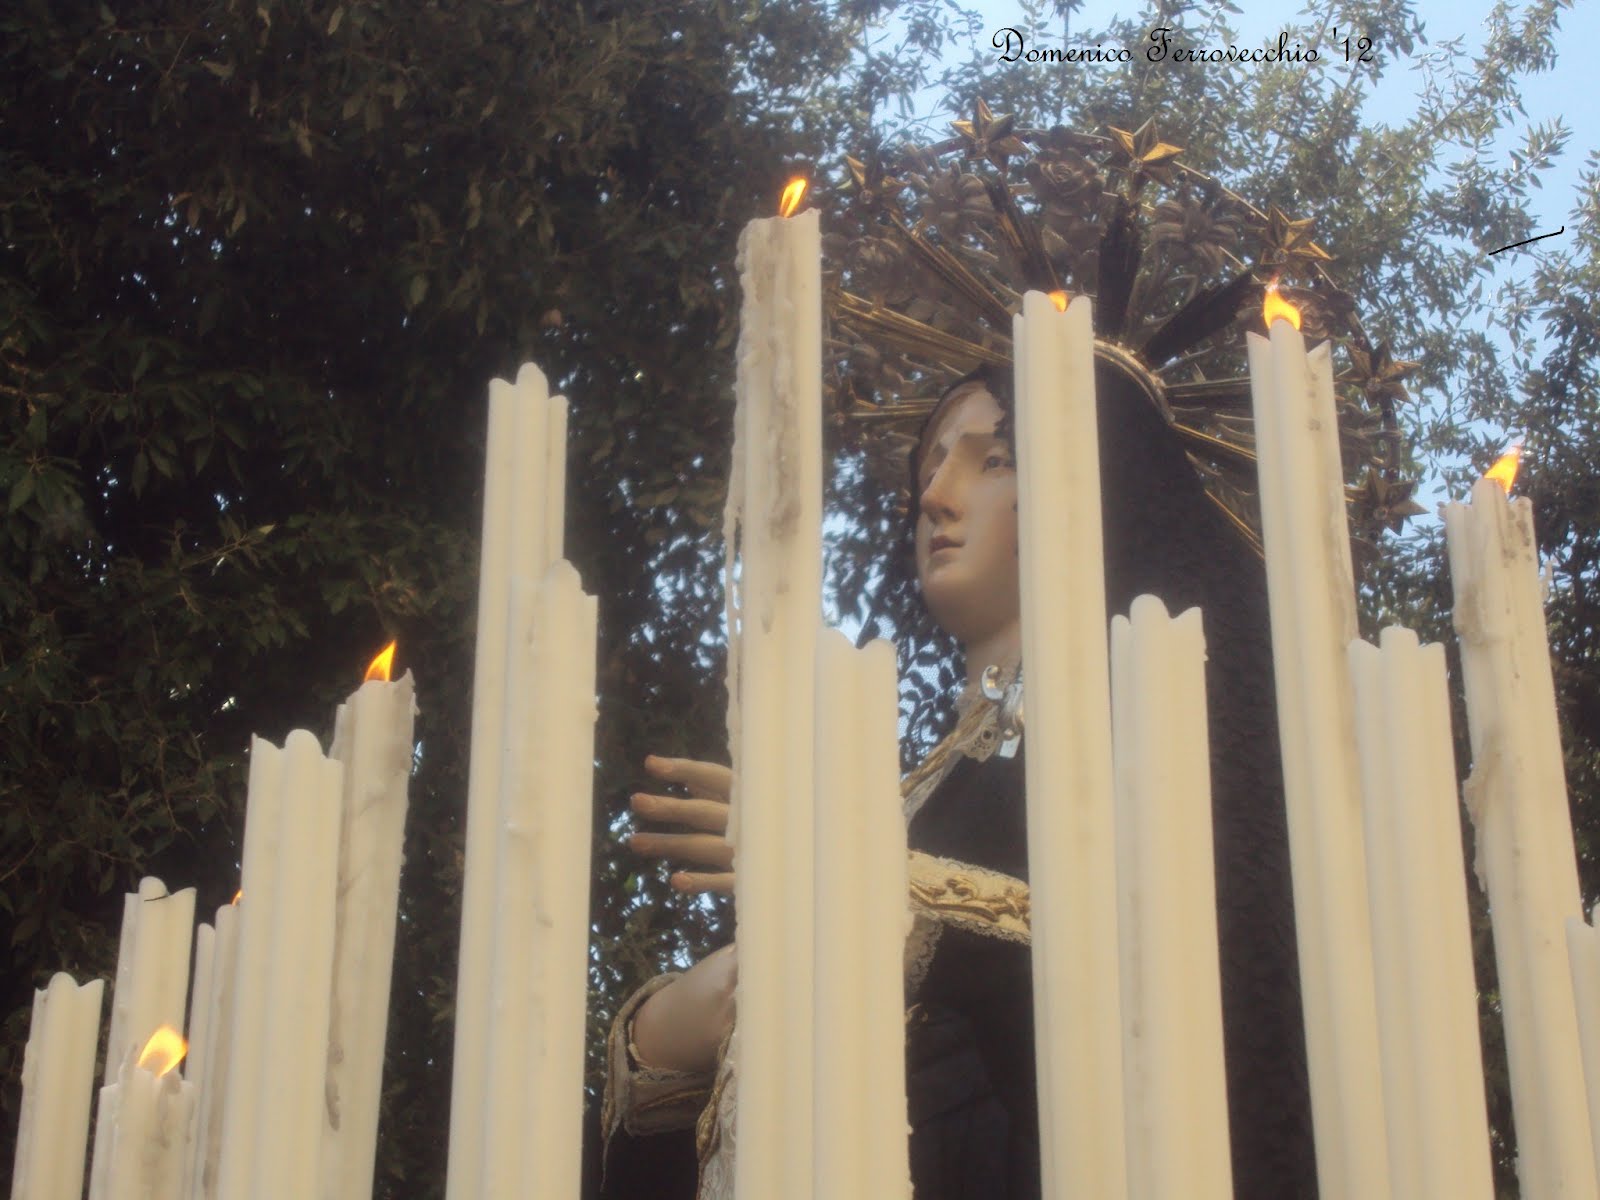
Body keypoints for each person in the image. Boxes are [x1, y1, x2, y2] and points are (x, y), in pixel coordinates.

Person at [597, 364, 1042, 1199]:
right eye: (932, 465)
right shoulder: (911, 793)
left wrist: (845, 877)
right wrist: (661, 1037)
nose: (935, 496)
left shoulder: (1114, 732)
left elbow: (1102, 978)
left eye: (991, 461)